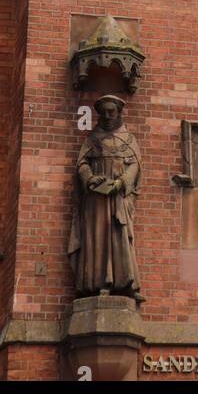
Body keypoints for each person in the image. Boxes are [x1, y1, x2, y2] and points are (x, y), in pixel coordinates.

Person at [67, 95, 142, 299]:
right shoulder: (92, 139)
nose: (108, 116)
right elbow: (82, 164)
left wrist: (121, 182)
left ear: (119, 113)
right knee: (97, 239)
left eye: (112, 112)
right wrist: (89, 178)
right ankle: (99, 283)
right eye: (104, 112)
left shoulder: (129, 139)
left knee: (120, 238)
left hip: (118, 197)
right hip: (96, 200)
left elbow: (135, 165)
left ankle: (126, 284)